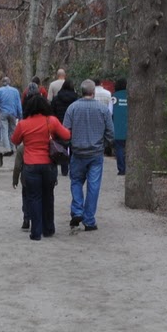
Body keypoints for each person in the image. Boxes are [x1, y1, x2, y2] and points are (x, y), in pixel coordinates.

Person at [9, 93, 70, 241]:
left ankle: (36, 232)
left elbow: (15, 139)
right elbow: (67, 135)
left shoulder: (23, 124)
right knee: (48, 196)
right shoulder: (52, 121)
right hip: (48, 164)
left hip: (30, 165)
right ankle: (48, 229)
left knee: (34, 197)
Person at [62, 80, 114, 231]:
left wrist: (70, 142)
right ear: (94, 92)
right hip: (96, 153)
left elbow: (65, 131)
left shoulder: (72, 108)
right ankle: (89, 219)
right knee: (94, 186)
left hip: (78, 152)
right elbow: (111, 132)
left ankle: (77, 211)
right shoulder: (103, 109)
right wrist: (104, 145)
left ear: (81, 91)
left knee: (76, 181)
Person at [0, 75, 22, 165]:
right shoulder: (15, 91)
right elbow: (18, 103)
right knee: (13, 130)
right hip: (13, 113)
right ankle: (14, 147)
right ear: (9, 82)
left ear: (2, 83)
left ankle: (7, 149)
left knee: (4, 130)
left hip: (3, 112)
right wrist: (20, 115)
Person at [49, 79, 78, 175]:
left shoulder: (56, 98)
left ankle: (64, 168)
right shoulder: (76, 99)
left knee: (61, 147)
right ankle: (73, 166)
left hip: (59, 124)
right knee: (73, 146)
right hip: (73, 125)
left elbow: (52, 112)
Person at [111, 78, 129, 175]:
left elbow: (109, 112)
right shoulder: (131, 95)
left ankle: (121, 169)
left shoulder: (114, 97)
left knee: (119, 148)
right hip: (129, 126)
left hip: (117, 126)